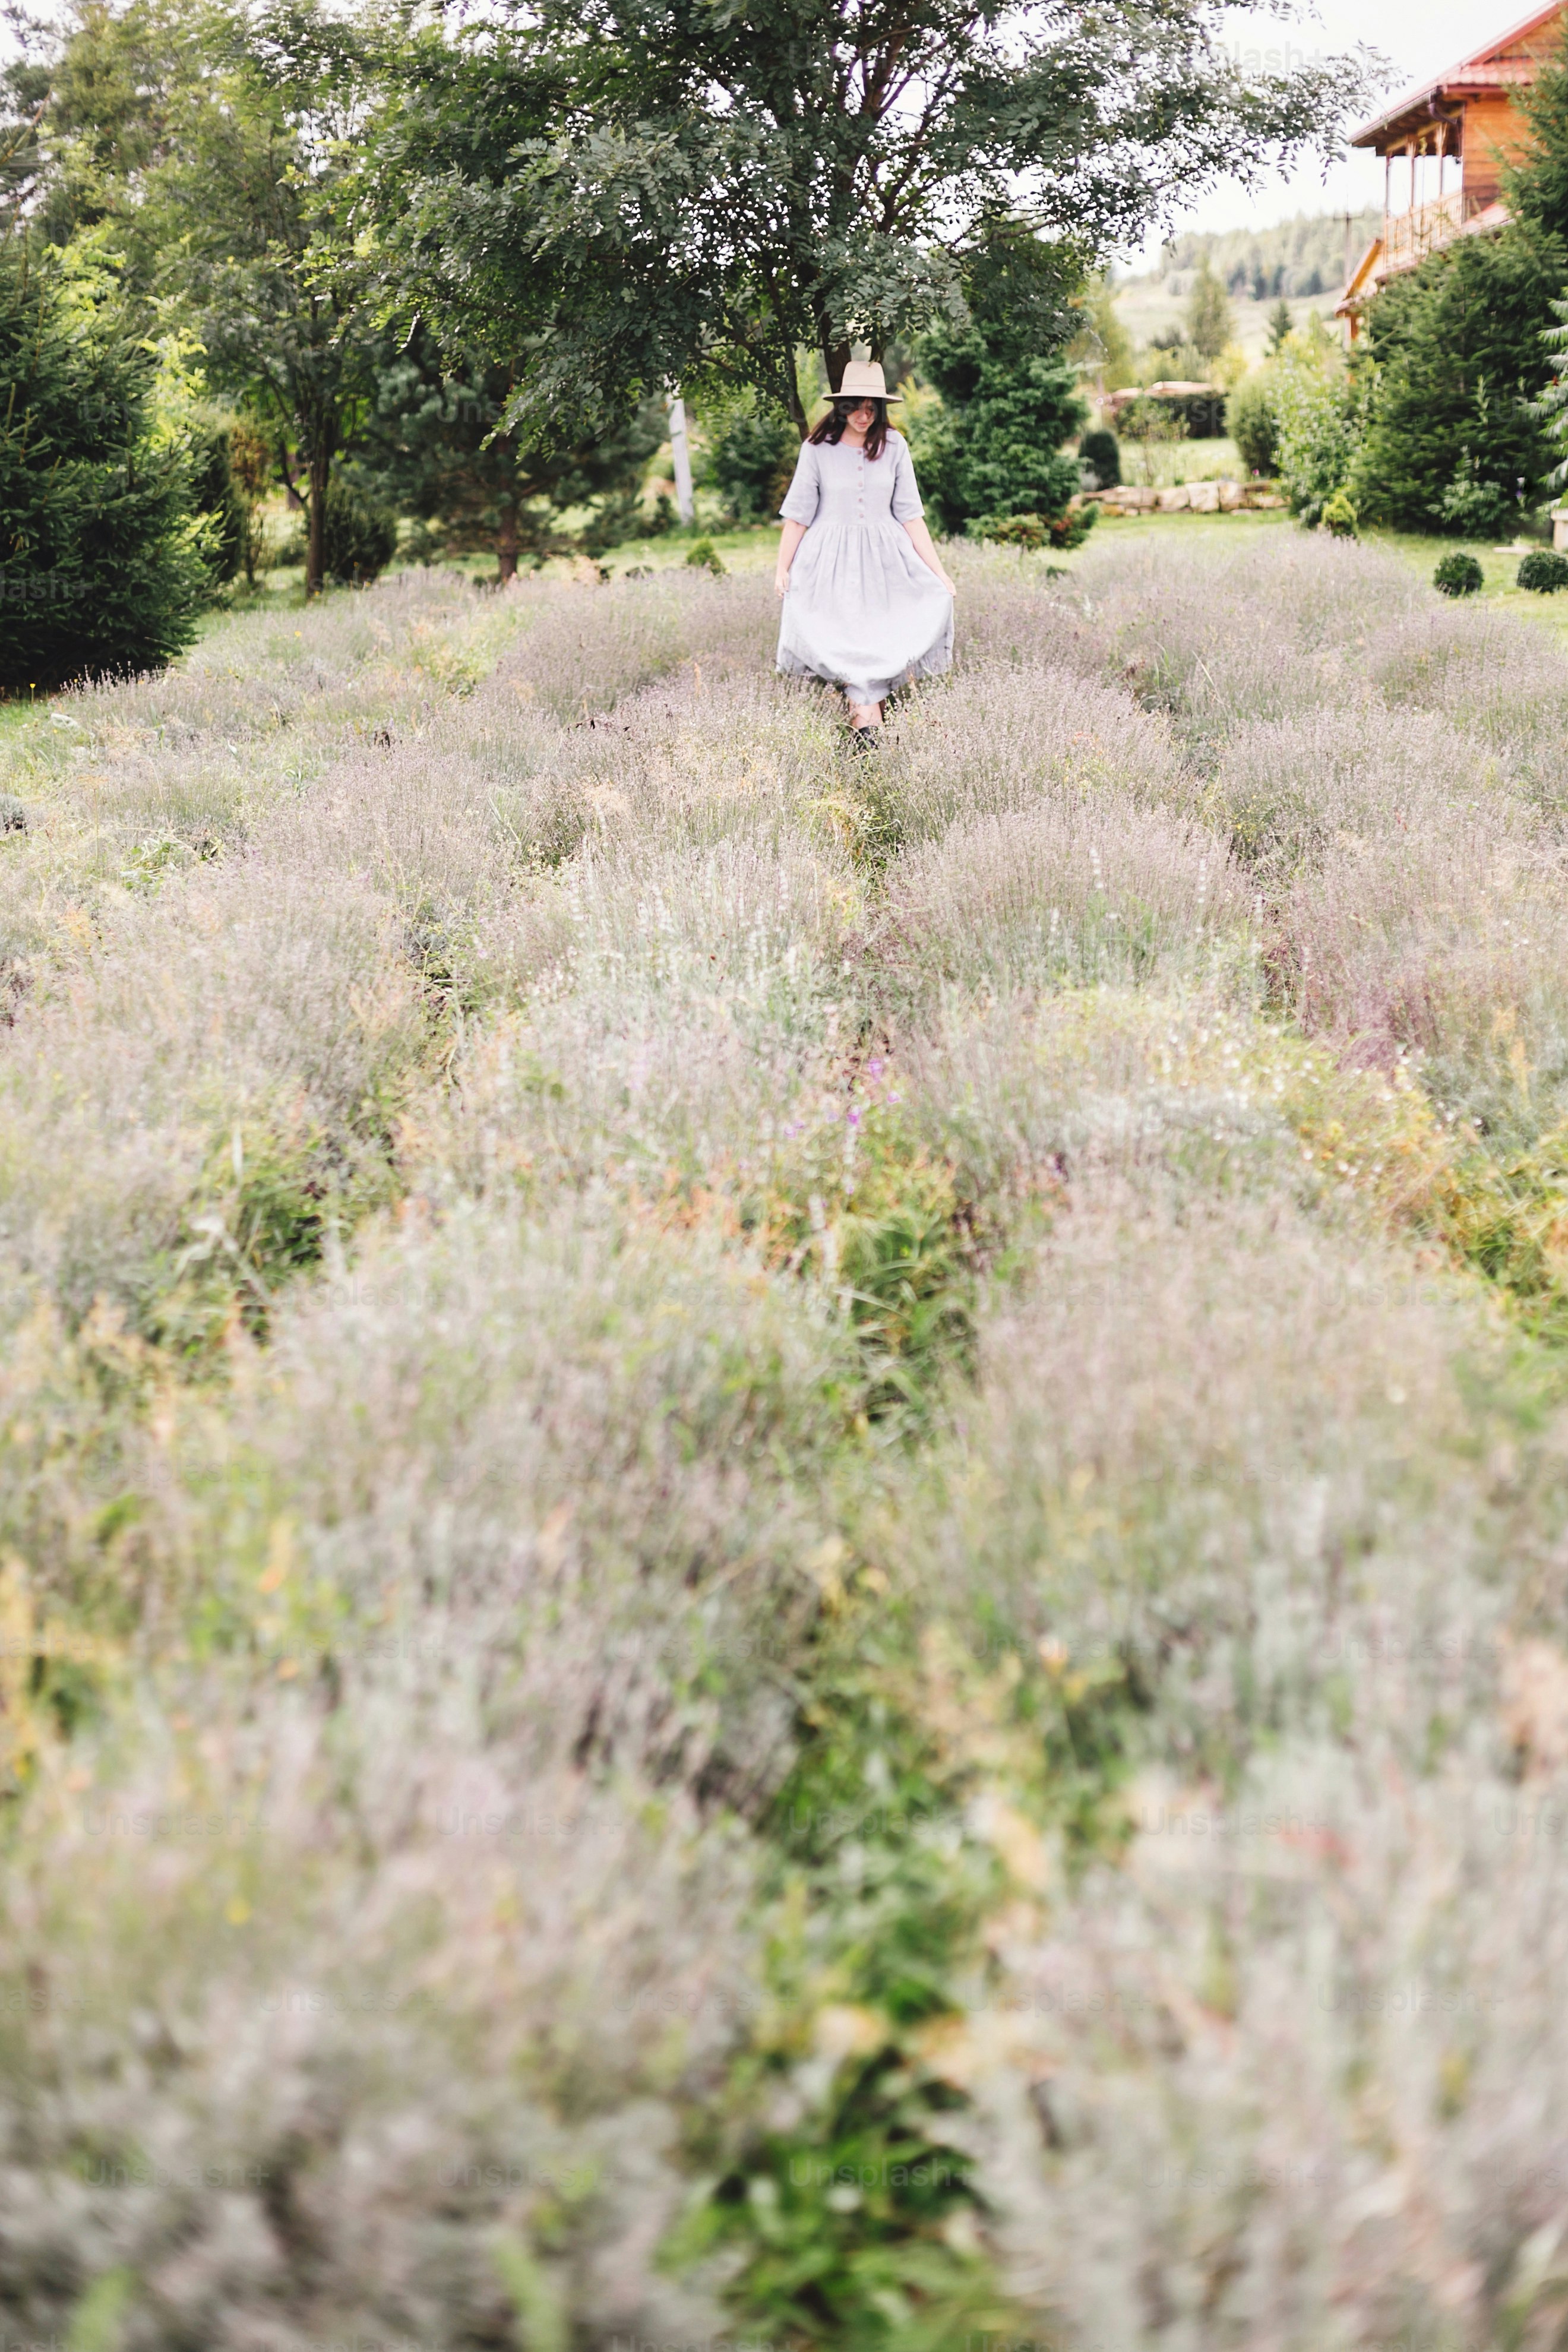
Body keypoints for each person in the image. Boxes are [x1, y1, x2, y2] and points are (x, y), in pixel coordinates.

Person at [774, 360, 956, 746]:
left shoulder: (894, 446)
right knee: (851, 664)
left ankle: (867, 767)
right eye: (856, 406)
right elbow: (797, 516)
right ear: (841, 407)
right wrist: (782, 569)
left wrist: (939, 574)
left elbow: (911, 516)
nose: (864, 415)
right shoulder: (817, 450)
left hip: (886, 569)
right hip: (827, 569)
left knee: (875, 657)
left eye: (872, 408)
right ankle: (870, 765)